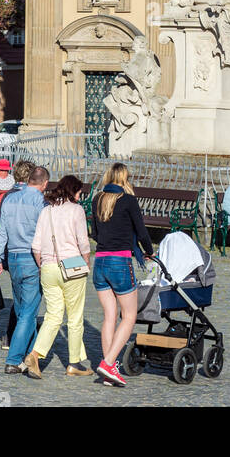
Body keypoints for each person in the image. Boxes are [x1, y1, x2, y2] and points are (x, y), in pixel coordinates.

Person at [19, 176, 93, 379]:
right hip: (72, 266)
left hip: (48, 266)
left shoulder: (47, 211)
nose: (80, 197)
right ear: (73, 191)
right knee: (75, 317)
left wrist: (42, 265)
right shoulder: (76, 210)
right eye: (79, 193)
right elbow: (83, 242)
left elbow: (36, 246)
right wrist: (86, 261)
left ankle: (34, 354)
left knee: (53, 316)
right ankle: (74, 363)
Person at [92, 163, 154, 387]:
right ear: (125, 179)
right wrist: (149, 251)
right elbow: (142, 231)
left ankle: (109, 368)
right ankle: (109, 363)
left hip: (99, 261)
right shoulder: (128, 200)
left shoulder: (97, 199)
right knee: (129, 316)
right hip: (119, 261)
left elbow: (95, 233)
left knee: (109, 316)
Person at [0, 164, 49, 374]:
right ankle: (14, 359)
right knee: (28, 312)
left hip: (13, 257)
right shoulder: (41, 203)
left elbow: (2, 232)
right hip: (31, 258)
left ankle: (30, 353)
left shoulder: (10, 198)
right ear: (44, 183)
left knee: (23, 308)